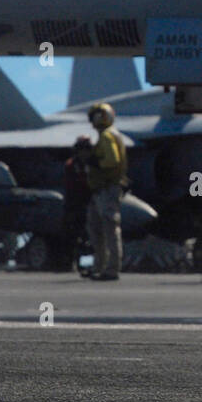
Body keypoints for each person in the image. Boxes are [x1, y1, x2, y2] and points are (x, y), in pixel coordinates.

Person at [82, 102, 127, 282]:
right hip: (101, 189)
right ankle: (99, 266)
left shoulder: (108, 136)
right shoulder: (109, 135)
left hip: (107, 188)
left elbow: (112, 160)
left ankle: (111, 270)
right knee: (96, 228)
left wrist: (93, 162)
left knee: (109, 229)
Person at [62, 136, 93, 274]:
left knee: (87, 235)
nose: (85, 152)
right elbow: (72, 185)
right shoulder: (71, 165)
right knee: (72, 235)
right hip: (74, 204)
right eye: (83, 149)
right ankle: (71, 262)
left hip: (88, 204)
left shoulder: (91, 165)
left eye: (87, 149)